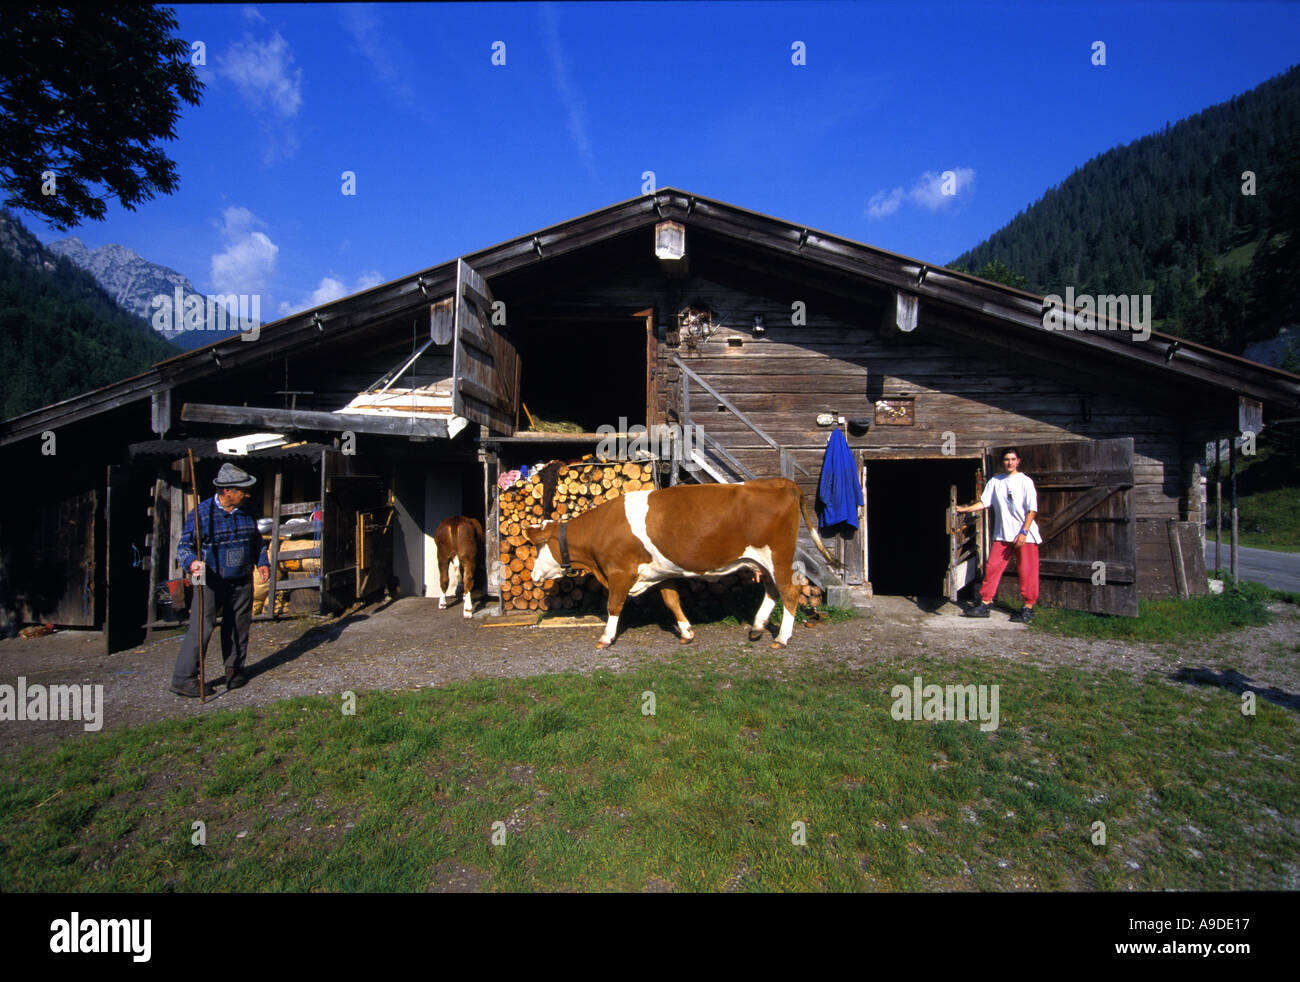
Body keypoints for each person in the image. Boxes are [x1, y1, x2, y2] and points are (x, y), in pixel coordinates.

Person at [170, 462, 271, 697]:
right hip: (209, 580)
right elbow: (184, 546)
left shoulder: (247, 512)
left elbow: (256, 542)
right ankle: (183, 678)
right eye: (242, 490)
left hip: (241, 578)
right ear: (227, 491)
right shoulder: (201, 514)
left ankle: (234, 670)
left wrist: (262, 562)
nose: (247, 494)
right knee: (201, 627)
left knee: (238, 625)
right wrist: (192, 562)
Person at [956, 447, 1040, 623]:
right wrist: (964, 509)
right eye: (1007, 459)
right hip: (1002, 535)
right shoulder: (996, 481)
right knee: (992, 568)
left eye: (1013, 459)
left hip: (1024, 535)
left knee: (1027, 571)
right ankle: (985, 604)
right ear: (1003, 462)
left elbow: (1032, 510)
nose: (1010, 462)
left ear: (1018, 461)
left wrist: (1024, 532)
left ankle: (1028, 608)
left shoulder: (1025, 482)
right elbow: (984, 502)